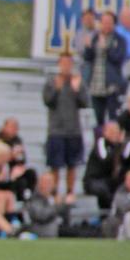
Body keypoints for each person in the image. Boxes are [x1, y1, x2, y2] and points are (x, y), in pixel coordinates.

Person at [43, 52, 89, 200]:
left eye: (69, 63)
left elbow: (85, 103)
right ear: (59, 64)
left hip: (73, 130)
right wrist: (57, 88)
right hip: (56, 129)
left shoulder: (77, 82)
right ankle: (54, 192)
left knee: (72, 164)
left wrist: (76, 90)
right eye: (63, 63)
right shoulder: (51, 82)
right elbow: (48, 101)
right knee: (55, 164)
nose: (66, 66)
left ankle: (70, 192)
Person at [83, 11, 127, 126]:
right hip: (96, 84)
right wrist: (88, 47)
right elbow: (88, 58)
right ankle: (100, 141)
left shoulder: (119, 40)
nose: (106, 25)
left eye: (109, 22)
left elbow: (118, 58)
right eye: (104, 22)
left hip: (111, 86)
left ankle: (113, 142)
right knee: (99, 119)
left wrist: (106, 48)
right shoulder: (95, 37)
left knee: (113, 118)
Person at [83, 122, 123, 210]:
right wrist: (118, 146)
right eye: (111, 132)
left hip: (110, 179)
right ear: (105, 132)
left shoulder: (120, 146)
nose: (114, 135)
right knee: (103, 189)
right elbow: (104, 159)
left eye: (116, 132)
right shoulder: (100, 143)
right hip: (94, 180)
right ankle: (109, 214)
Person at [23, 172, 71, 239]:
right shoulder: (34, 199)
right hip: (41, 234)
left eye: (48, 182)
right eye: (43, 182)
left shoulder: (55, 198)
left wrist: (65, 205)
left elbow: (66, 219)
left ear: (54, 184)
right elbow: (41, 215)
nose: (44, 185)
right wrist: (60, 205)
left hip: (59, 232)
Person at [101, 170, 130, 240]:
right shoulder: (120, 192)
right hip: (119, 221)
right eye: (129, 181)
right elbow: (124, 207)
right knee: (129, 215)